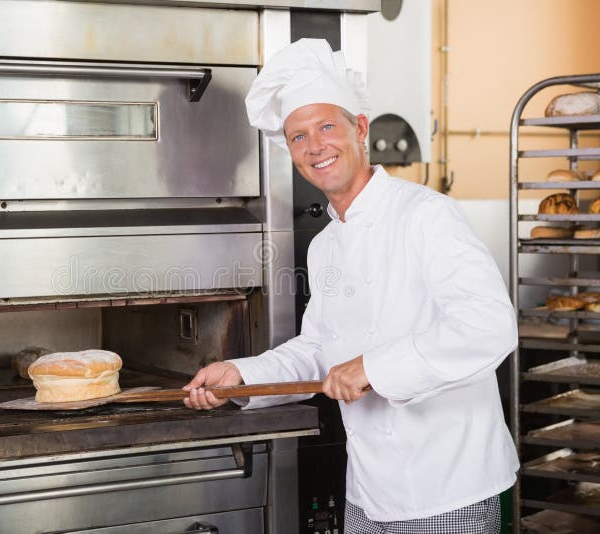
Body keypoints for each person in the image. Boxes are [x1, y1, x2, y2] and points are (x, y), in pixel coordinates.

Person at [182, 39, 519, 534]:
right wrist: (241, 374)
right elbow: (322, 348)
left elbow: (489, 328)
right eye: (298, 137)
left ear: (359, 128)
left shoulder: (427, 215)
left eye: (325, 127)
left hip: (450, 488)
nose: (314, 147)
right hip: (369, 493)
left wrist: (373, 368)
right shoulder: (325, 247)